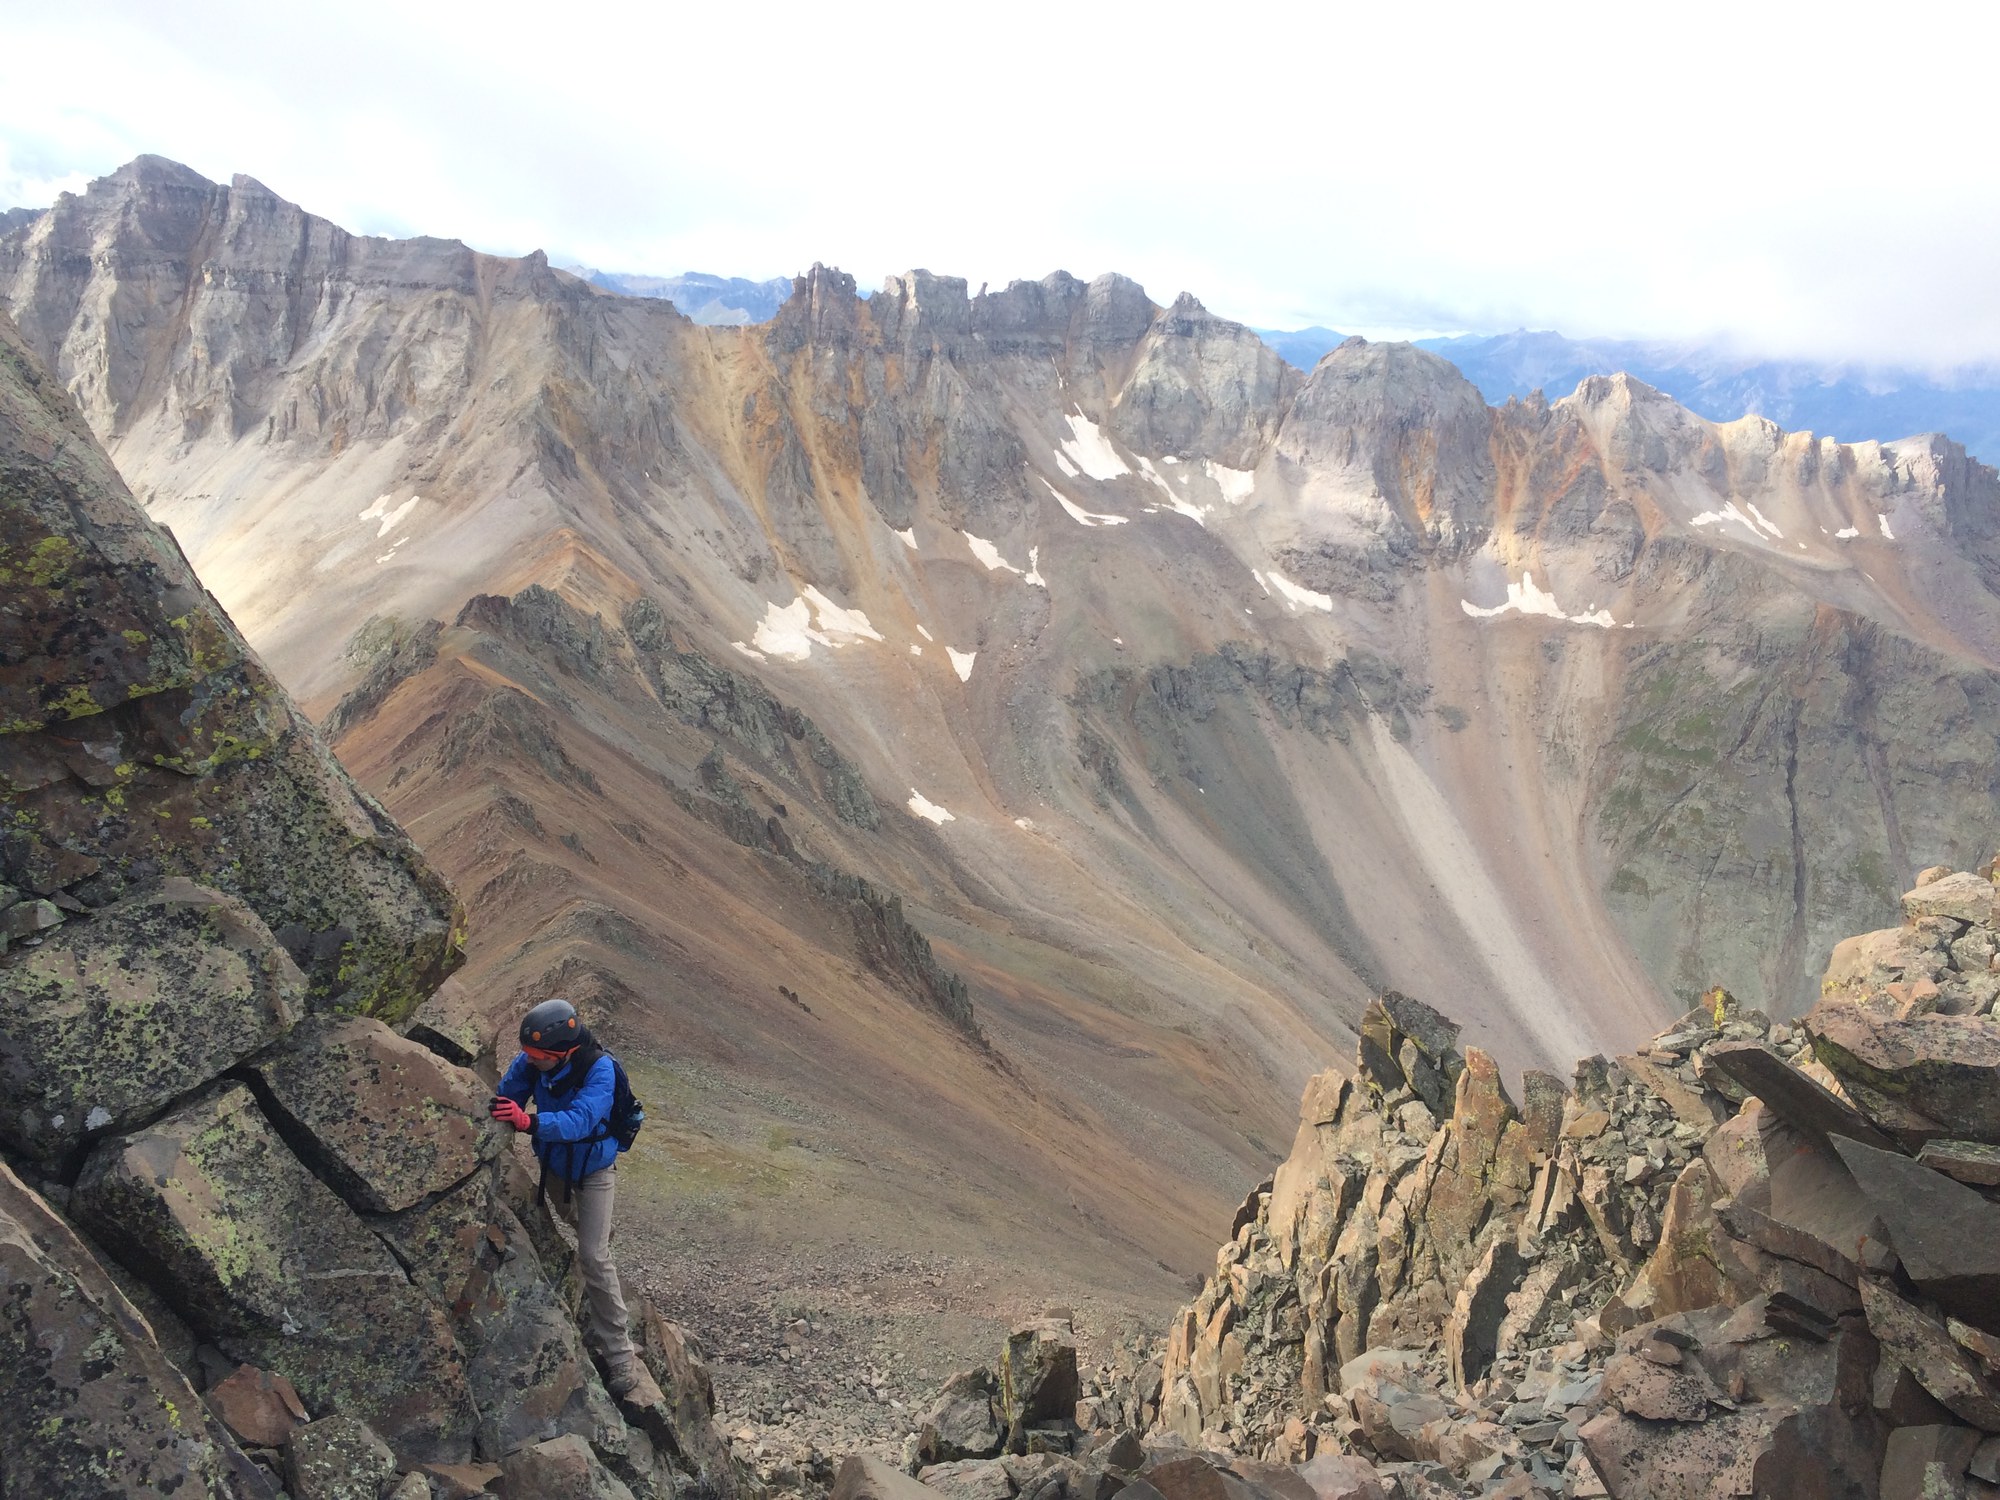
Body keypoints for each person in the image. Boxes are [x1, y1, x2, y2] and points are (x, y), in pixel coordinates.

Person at [490, 997, 641, 1395]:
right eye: (528, 1053)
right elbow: (509, 1094)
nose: (530, 1060)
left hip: (594, 1170)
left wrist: (529, 1121)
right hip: (555, 1167)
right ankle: (600, 1240)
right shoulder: (532, 1062)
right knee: (587, 1235)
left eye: (539, 1055)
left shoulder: (601, 1071)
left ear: (565, 1052)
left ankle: (621, 1356)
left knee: (592, 1255)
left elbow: (581, 1121)